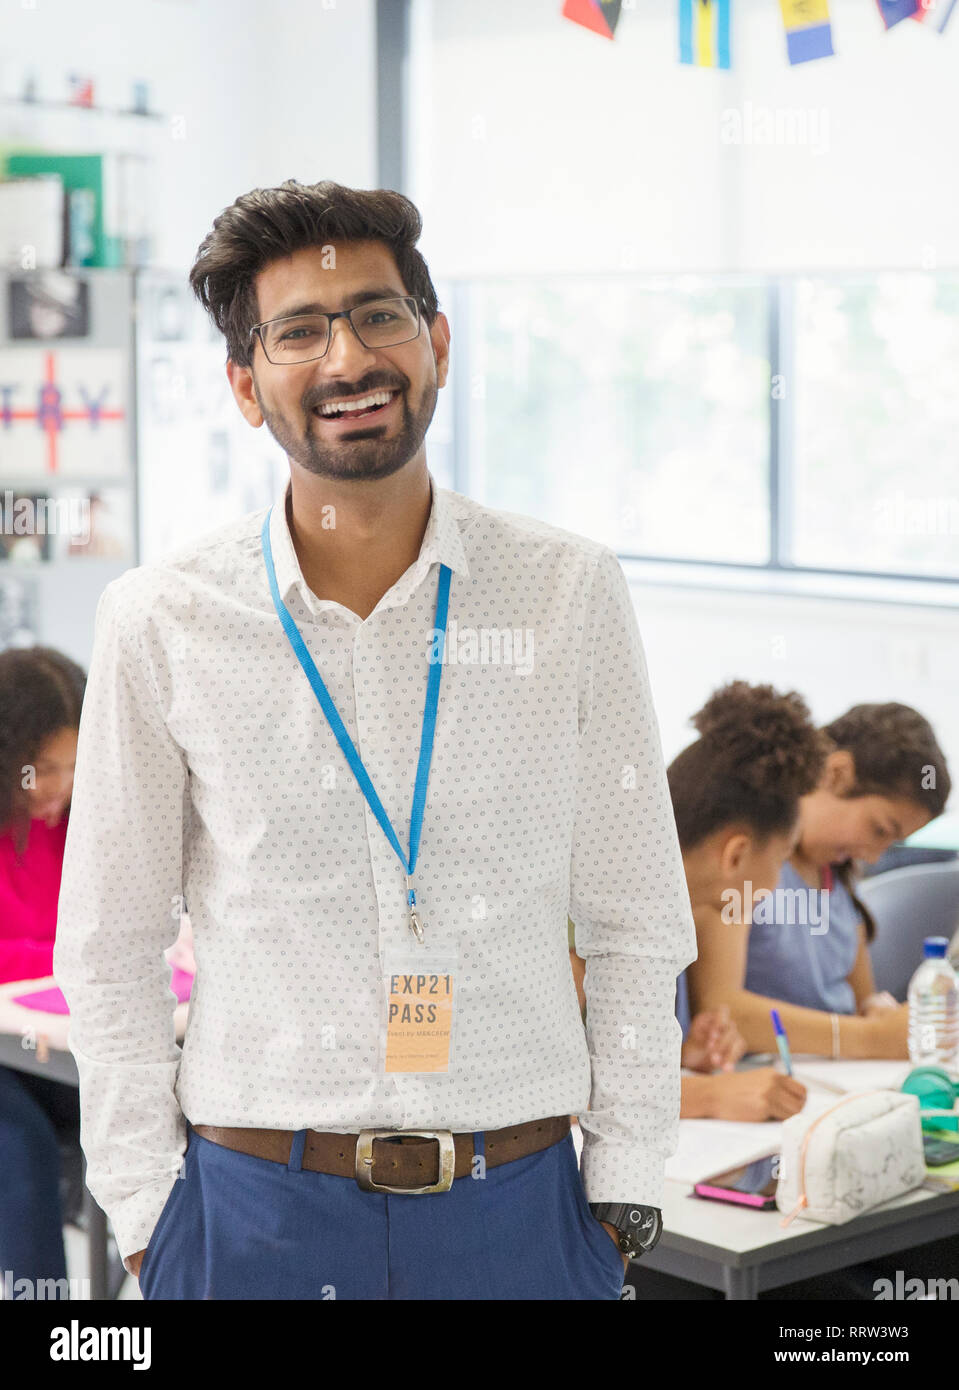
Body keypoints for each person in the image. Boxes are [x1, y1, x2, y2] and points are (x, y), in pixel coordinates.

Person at [53, 179, 697, 1301]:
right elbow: (109, 946)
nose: (347, 356)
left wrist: (625, 1182)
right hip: (254, 1212)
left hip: (522, 1210)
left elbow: (636, 912)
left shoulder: (566, 592)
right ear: (247, 386)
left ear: (435, 343)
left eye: (377, 315)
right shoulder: (160, 620)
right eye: (298, 330)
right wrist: (151, 1215)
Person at [571, 681, 820, 1123]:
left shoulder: (659, 908)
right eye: (781, 859)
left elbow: (605, 1067)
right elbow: (528, 1100)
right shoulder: (585, 915)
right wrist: (710, 1096)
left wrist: (686, 1056)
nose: (778, 882)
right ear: (736, 854)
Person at [688, 702, 951, 1059]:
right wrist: (871, 1038)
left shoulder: (840, 880)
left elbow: (861, 1001)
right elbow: (720, 1006)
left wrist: (876, 1009)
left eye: (891, 843)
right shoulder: (748, 868)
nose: (874, 856)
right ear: (837, 773)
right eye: (879, 830)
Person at [0, 645, 85, 1294]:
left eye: (73, 768)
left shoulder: (79, 823)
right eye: (43, 768)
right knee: (20, 1150)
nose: (58, 787)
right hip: (11, 1054)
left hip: (57, 1048)